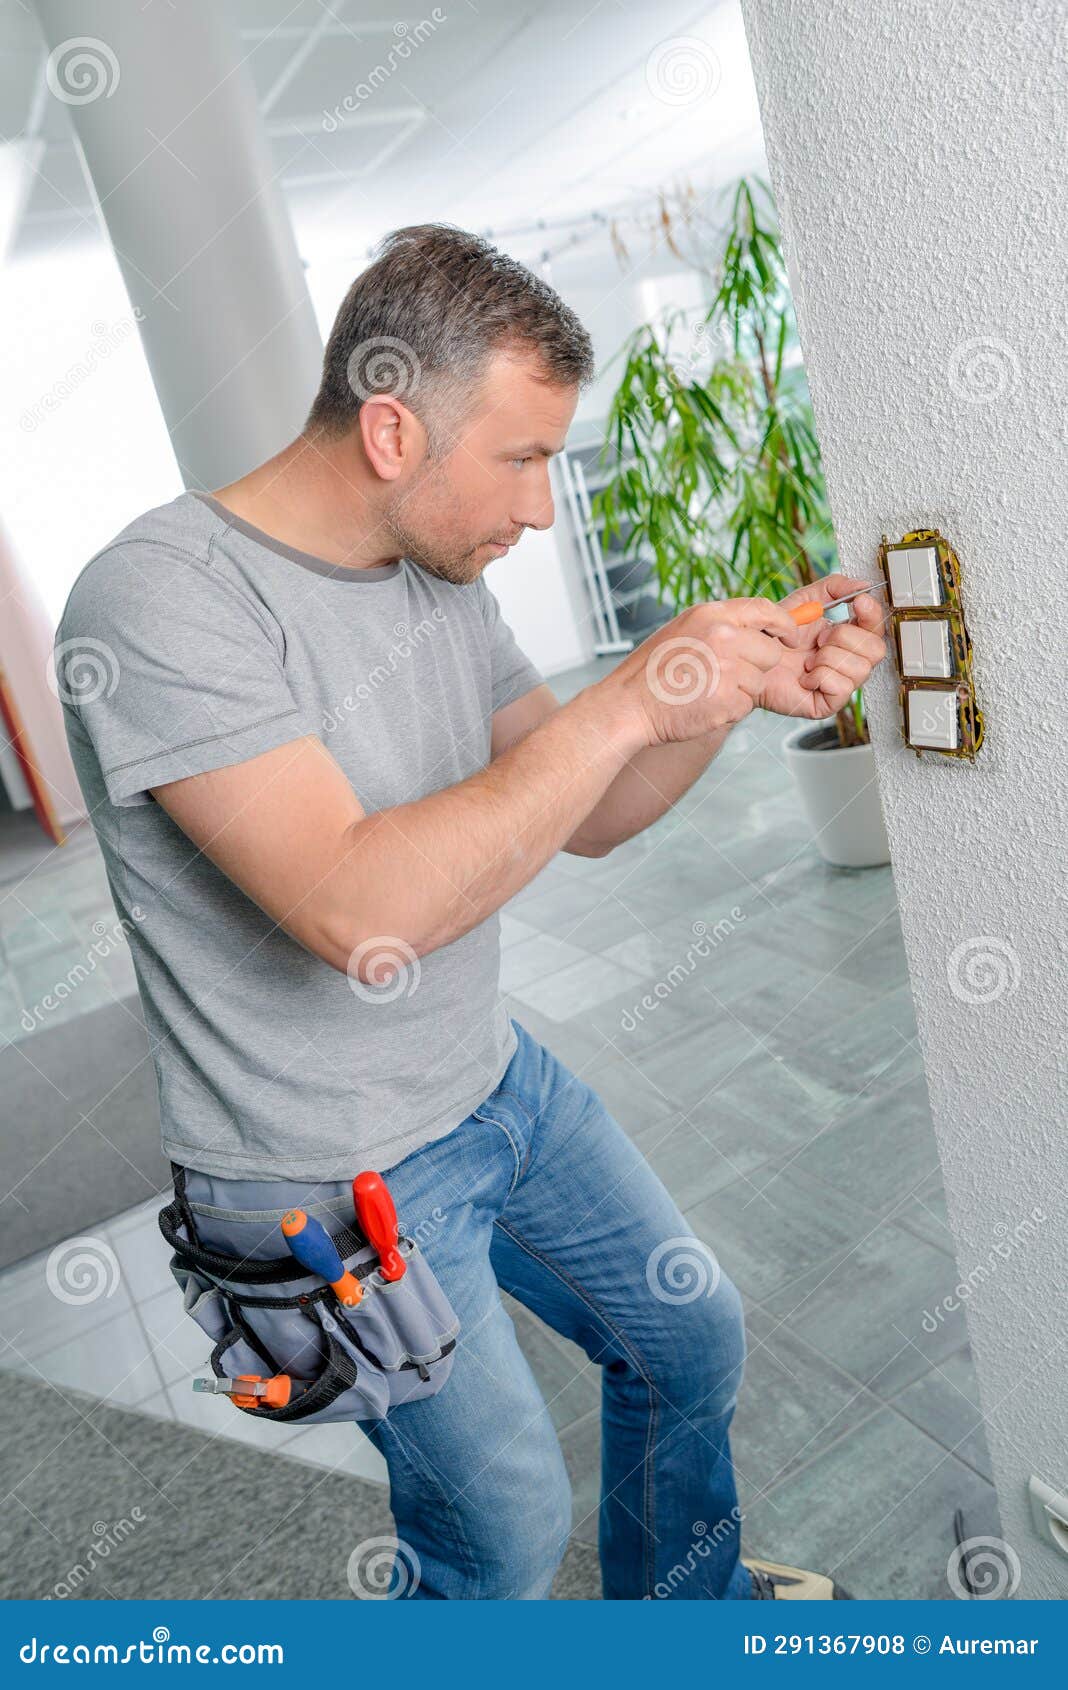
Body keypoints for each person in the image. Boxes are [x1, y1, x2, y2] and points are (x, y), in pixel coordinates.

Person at [57, 224, 886, 1600]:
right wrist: (628, 694)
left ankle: (678, 1625)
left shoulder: (443, 577)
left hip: (494, 1087)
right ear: (392, 428)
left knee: (689, 1341)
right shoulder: (160, 601)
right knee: (495, 1538)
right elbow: (352, 904)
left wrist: (720, 695)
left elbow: (596, 810)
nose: (545, 510)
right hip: (325, 1173)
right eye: (523, 460)